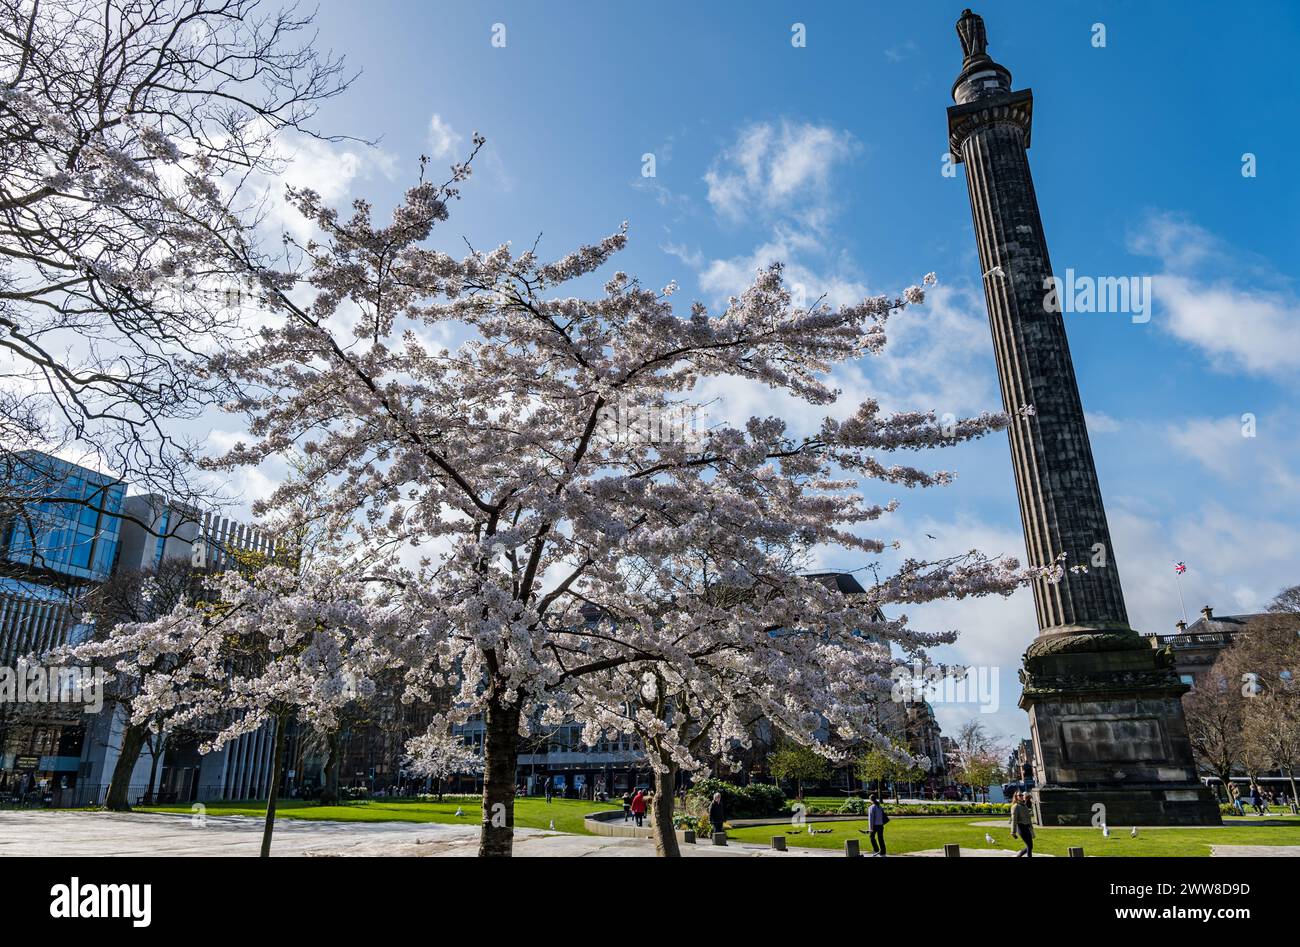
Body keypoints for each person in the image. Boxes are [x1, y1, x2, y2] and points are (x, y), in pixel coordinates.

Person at [1010, 791, 1035, 857]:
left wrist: (1032, 830)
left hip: (1027, 828)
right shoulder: (1015, 807)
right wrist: (1013, 832)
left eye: (1022, 795)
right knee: (1029, 846)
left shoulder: (1024, 806)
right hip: (1021, 828)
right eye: (1019, 795)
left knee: (1030, 846)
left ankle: (1018, 855)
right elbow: (1014, 820)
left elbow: (1029, 819)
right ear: (1016, 797)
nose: (1021, 796)